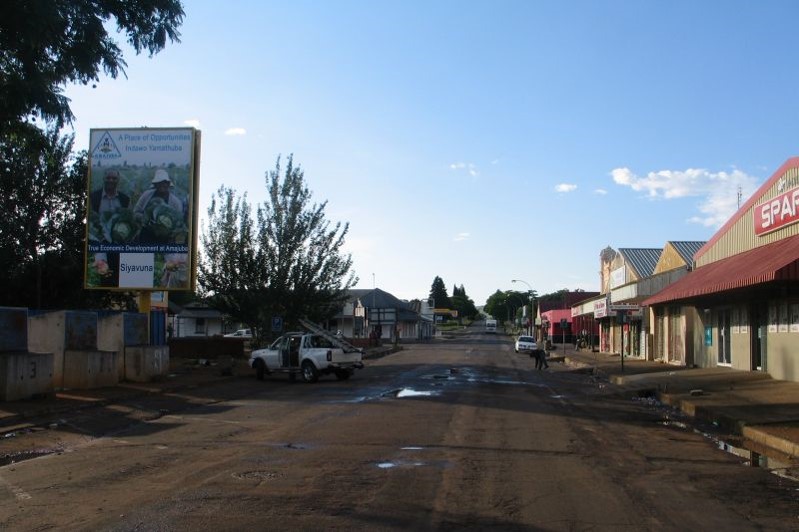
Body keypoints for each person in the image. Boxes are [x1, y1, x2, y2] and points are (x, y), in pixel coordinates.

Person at [133, 168, 186, 243]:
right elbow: (136, 212)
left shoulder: (176, 203)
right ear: (155, 184)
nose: (162, 185)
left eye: (165, 182)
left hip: (166, 239)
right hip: (146, 235)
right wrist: (145, 219)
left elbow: (179, 223)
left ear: (168, 184)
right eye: (159, 182)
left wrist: (167, 229)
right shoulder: (146, 195)